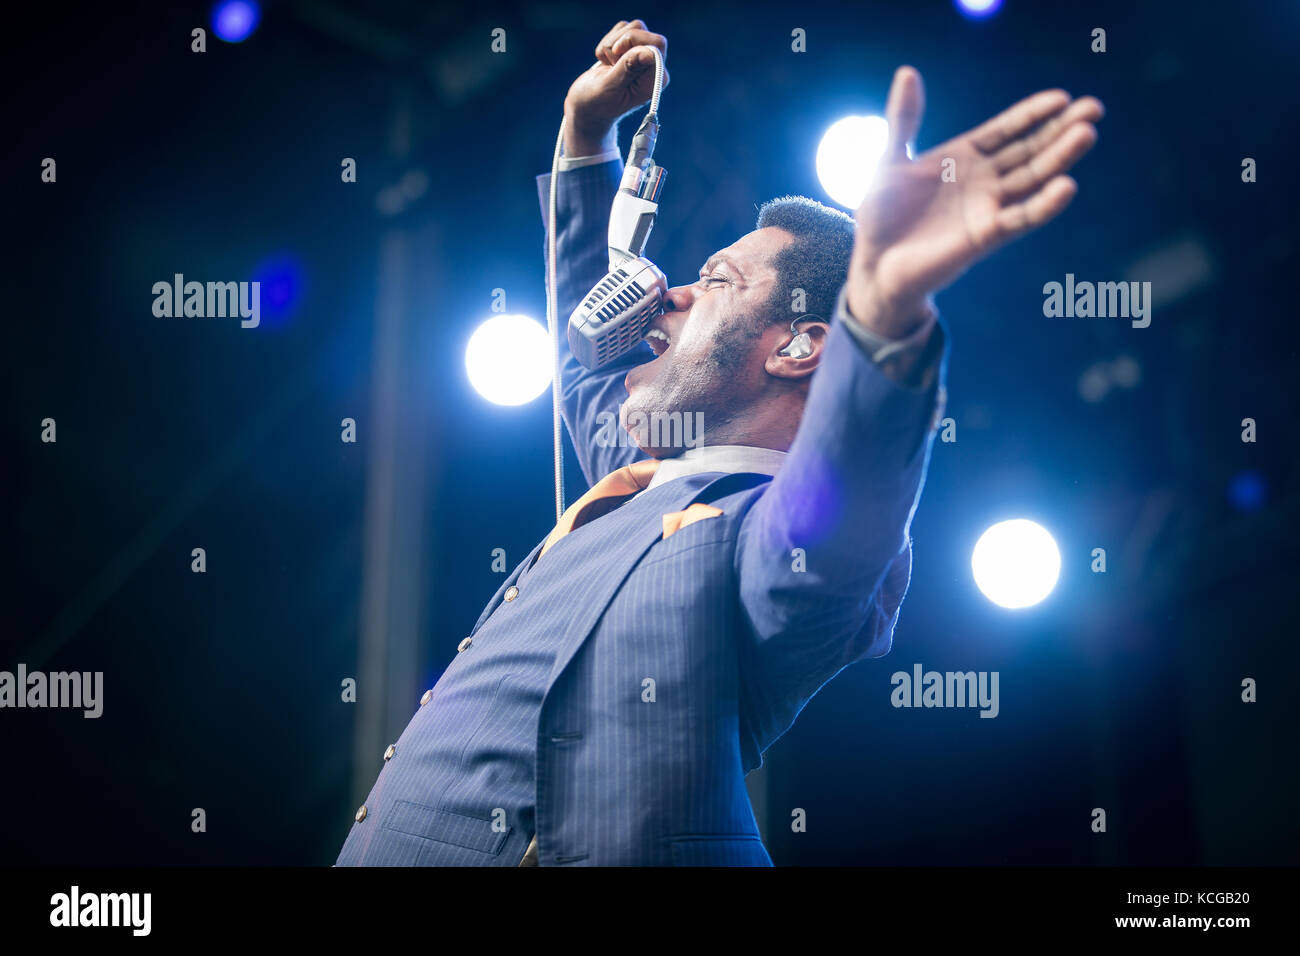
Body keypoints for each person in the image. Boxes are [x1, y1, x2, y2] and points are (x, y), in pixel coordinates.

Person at [335, 18, 1102, 866]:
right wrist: (587, 135)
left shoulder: (771, 536)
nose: (665, 299)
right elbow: (582, 349)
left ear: (797, 345)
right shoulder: (639, 473)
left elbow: (853, 485)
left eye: (716, 283)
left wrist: (883, 313)